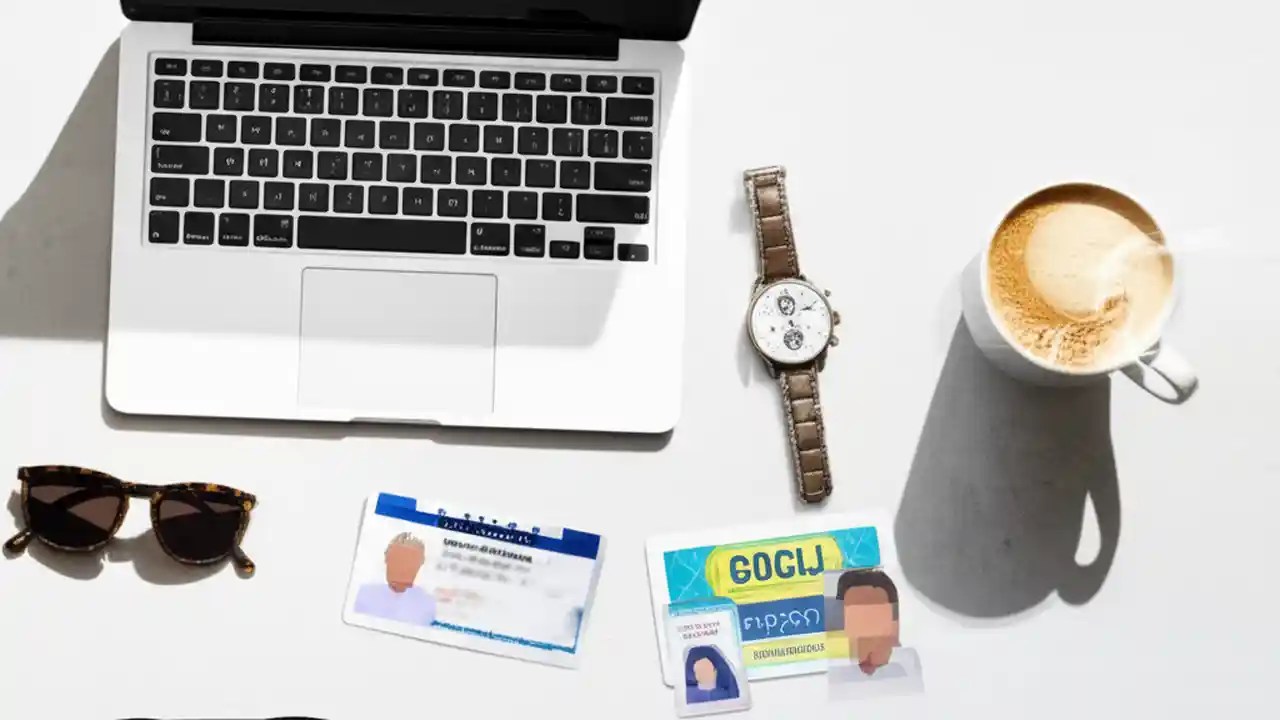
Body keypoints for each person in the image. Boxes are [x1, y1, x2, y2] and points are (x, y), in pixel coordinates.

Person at [828, 569, 923, 694]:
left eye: (874, 621)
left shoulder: (908, 674)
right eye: (856, 620)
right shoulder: (827, 678)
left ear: (894, 626)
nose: (867, 637)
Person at [352, 532, 437, 626]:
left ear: (419, 564)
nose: (402, 569)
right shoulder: (364, 594)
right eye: (398, 561)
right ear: (387, 559)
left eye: (409, 563)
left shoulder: (427, 603)